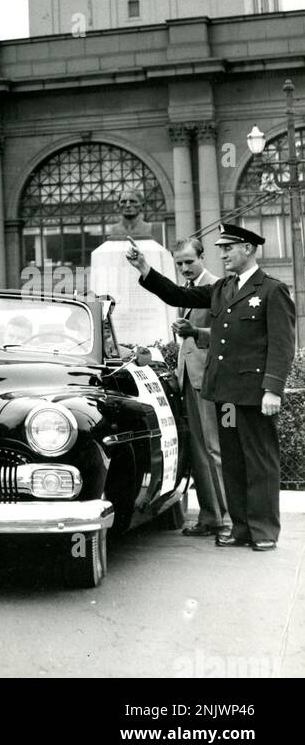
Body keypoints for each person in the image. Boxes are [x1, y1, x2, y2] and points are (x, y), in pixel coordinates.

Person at [127, 223, 296, 551]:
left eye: (228, 248)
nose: (223, 254)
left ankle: (263, 531)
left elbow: (281, 344)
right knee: (232, 460)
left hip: (255, 394)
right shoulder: (223, 288)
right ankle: (241, 528)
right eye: (221, 248)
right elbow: (179, 294)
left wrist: (273, 389)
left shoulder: (272, 290)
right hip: (225, 393)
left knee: (259, 461)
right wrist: (145, 269)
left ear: (248, 248)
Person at [166, 238, 230, 537]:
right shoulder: (188, 292)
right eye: (179, 263)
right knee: (200, 450)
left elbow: (228, 333)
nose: (184, 268)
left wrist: (195, 332)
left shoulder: (217, 287)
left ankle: (225, 518)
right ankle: (211, 516)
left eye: (189, 261)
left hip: (208, 379)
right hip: (190, 378)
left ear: (202, 257)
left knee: (213, 449)